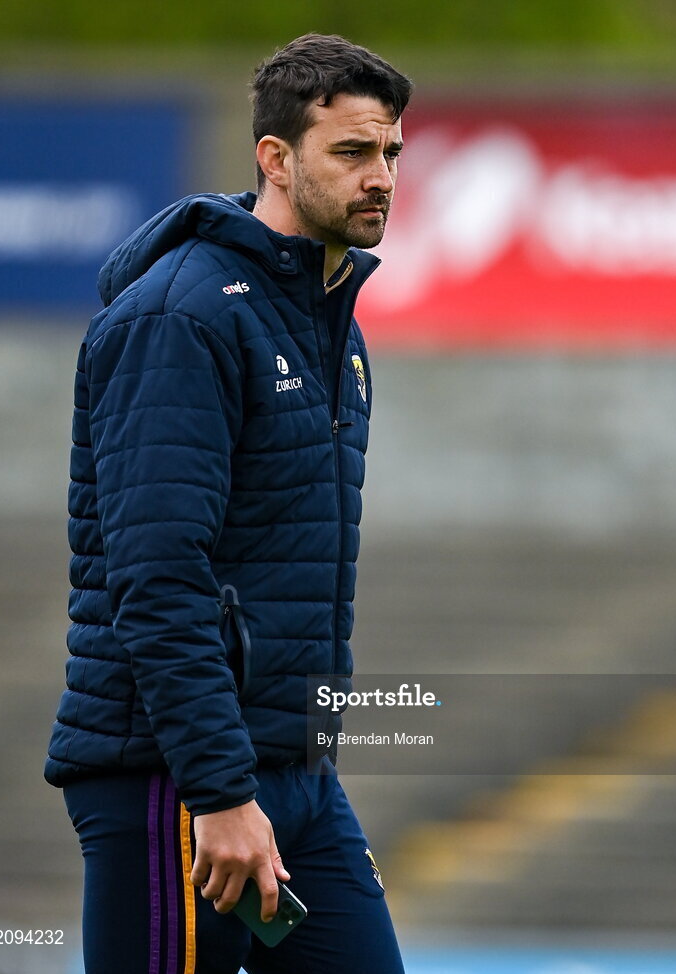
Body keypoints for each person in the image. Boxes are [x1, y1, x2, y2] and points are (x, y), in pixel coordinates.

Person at [44, 33, 412, 974]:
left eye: (390, 154)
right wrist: (217, 791)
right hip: (176, 780)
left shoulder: (328, 319)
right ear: (275, 158)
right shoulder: (184, 316)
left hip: (293, 775)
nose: (381, 177)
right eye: (353, 152)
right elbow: (159, 577)